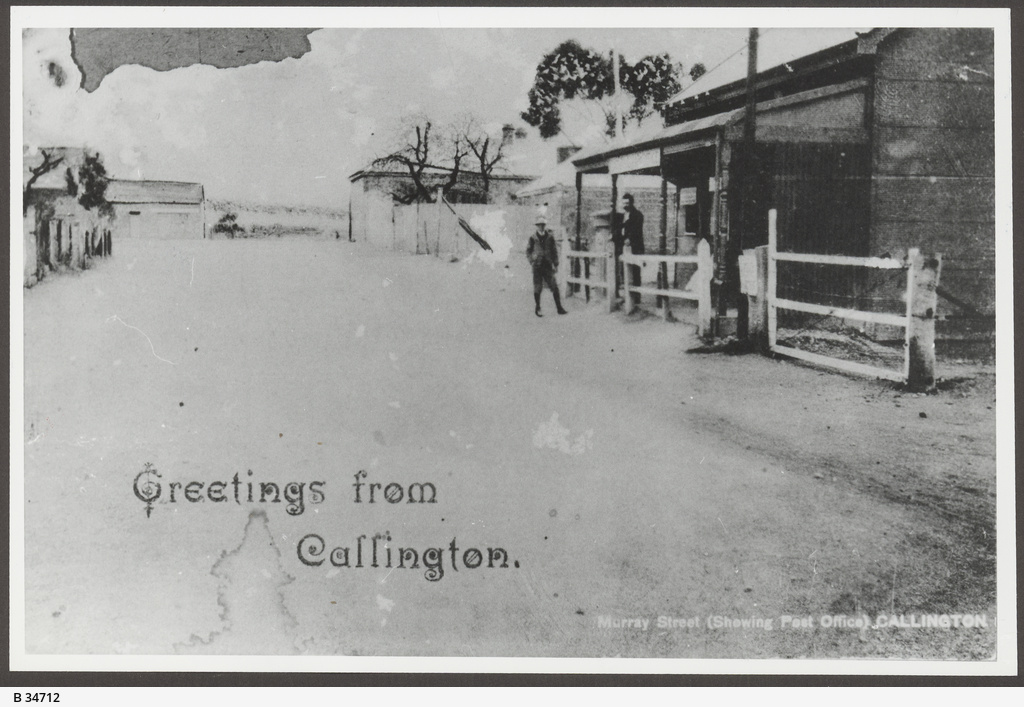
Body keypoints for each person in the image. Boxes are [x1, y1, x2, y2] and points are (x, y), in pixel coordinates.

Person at [526, 215, 567, 317]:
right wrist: (532, 260)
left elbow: (554, 251)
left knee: (554, 286)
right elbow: (528, 251)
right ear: (537, 226)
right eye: (539, 225)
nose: (541, 227)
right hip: (537, 266)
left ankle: (559, 308)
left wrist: (556, 263)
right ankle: (538, 307)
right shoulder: (533, 238)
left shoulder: (550, 237)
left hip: (547, 266)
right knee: (537, 287)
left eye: (543, 225)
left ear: (545, 225)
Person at [613, 193, 645, 297]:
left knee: (635, 271)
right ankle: (626, 295)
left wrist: (629, 238)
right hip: (623, 247)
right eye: (623, 203)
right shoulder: (621, 216)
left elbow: (636, 230)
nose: (625, 205)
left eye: (627, 203)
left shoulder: (637, 215)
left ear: (631, 203)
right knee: (623, 270)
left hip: (635, 247)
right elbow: (618, 229)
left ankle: (636, 297)